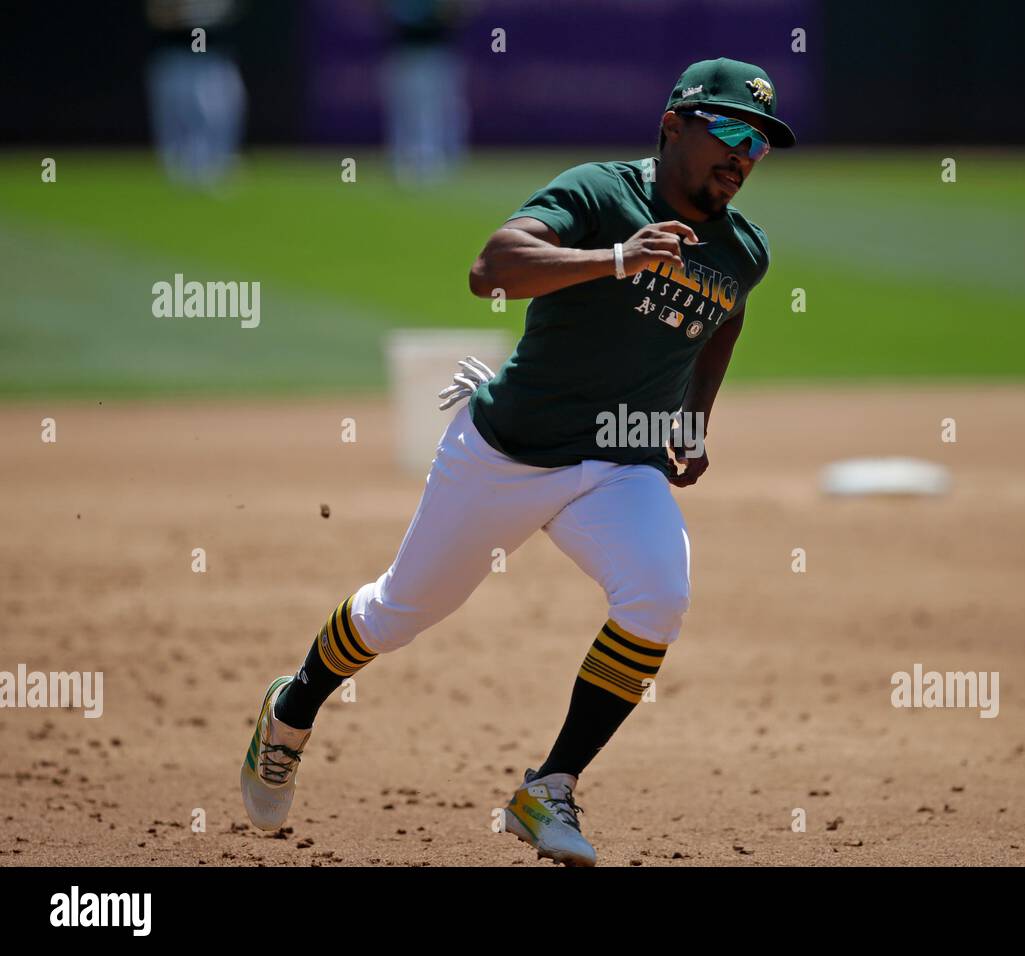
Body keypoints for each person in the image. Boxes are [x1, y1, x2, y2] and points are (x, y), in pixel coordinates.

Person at [240, 57, 796, 866]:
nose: (745, 154)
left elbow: (725, 320)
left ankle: (548, 790)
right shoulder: (602, 195)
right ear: (674, 124)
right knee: (398, 612)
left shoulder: (743, 250)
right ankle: (290, 709)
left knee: (658, 594)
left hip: (616, 464)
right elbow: (489, 271)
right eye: (732, 131)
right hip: (506, 453)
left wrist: (694, 419)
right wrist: (616, 259)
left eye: (762, 144)